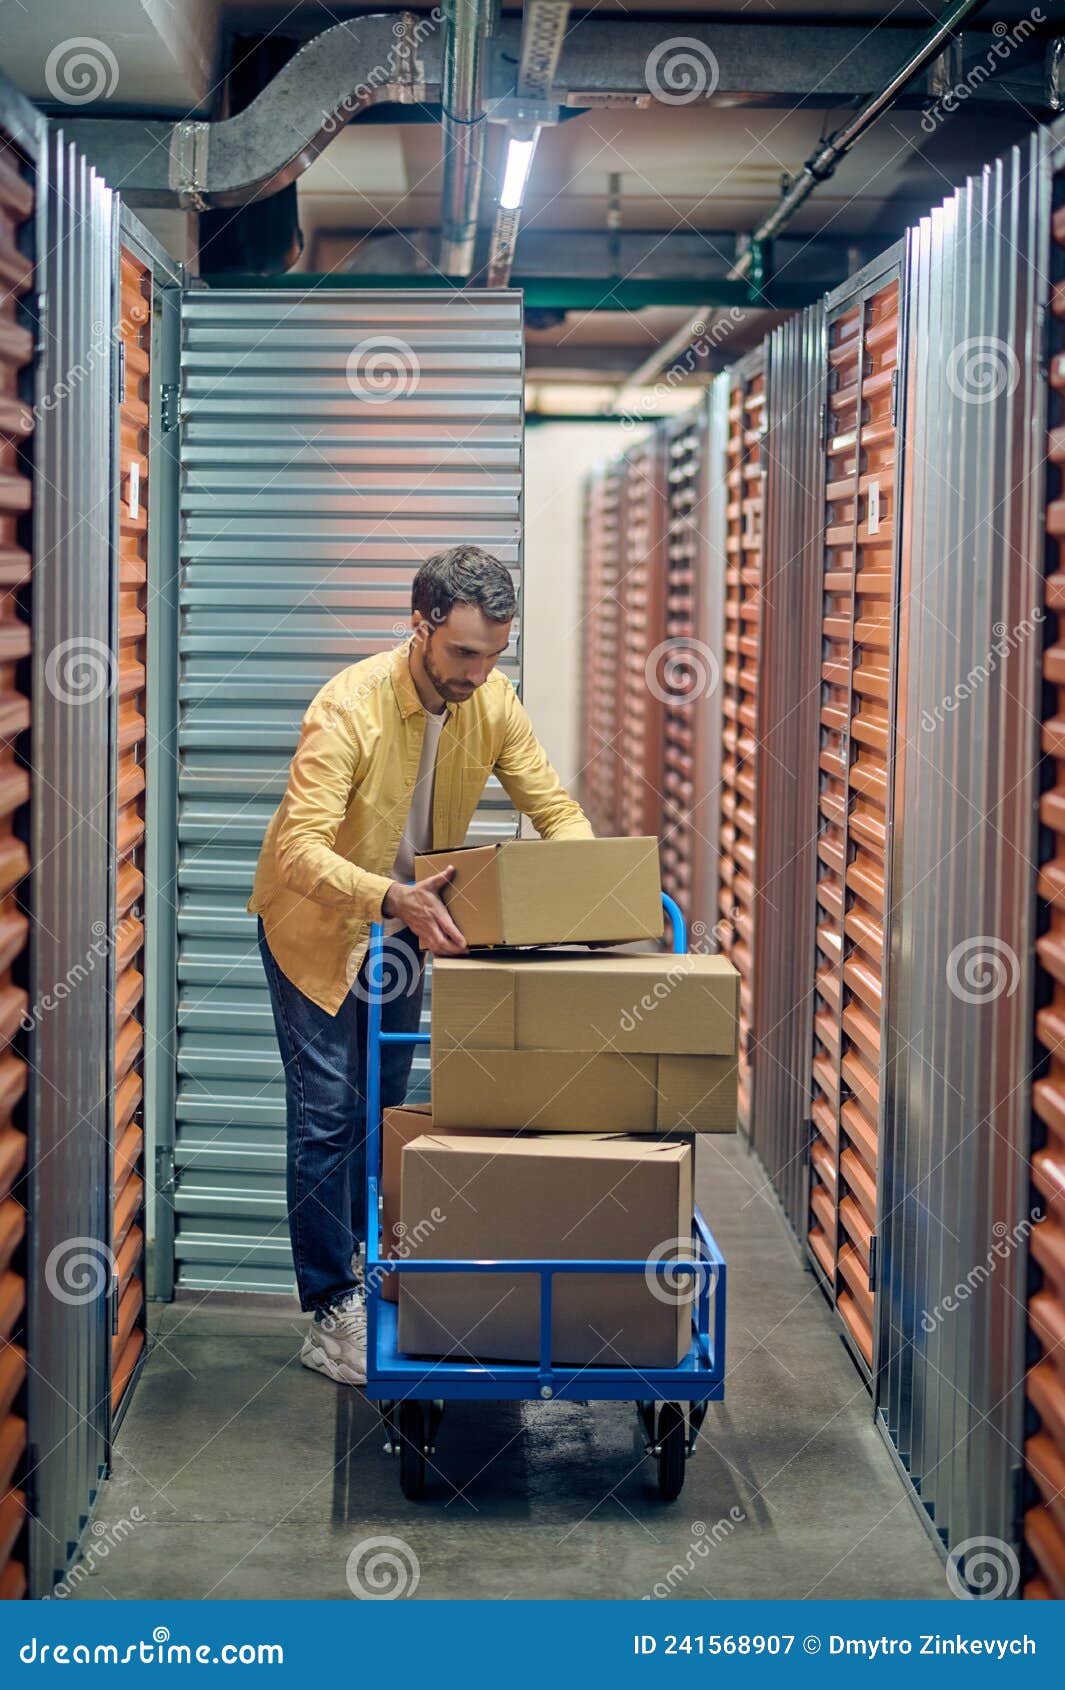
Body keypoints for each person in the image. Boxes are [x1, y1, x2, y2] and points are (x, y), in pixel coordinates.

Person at [248, 545, 595, 1384]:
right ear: (420, 624)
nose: (477, 673)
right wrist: (388, 897)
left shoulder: (493, 701)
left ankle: (370, 1273)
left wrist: (590, 895)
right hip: (316, 926)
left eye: (493, 654)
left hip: (404, 928)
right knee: (328, 1115)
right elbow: (297, 850)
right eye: (463, 653)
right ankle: (329, 1308)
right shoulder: (349, 707)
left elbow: (554, 808)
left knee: (382, 1111)